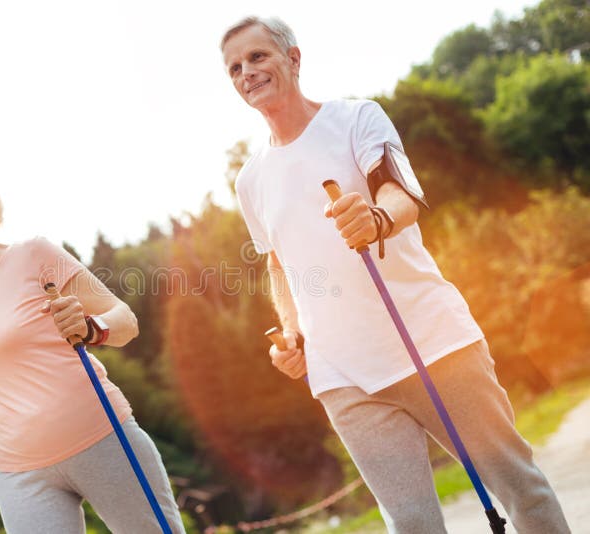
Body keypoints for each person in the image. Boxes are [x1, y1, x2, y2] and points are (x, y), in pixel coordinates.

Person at [221, 16, 570, 534]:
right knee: (410, 524)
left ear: (294, 59)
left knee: (520, 488)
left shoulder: (357, 119)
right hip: (342, 372)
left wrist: (376, 217)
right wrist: (291, 332)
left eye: (258, 56)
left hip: (431, 342)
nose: (247, 72)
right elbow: (278, 264)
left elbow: (399, 190)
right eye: (234, 67)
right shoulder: (250, 180)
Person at [0, 160, 184, 533]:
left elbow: (124, 319)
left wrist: (92, 329)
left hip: (102, 436)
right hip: (20, 472)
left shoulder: (33, 255)